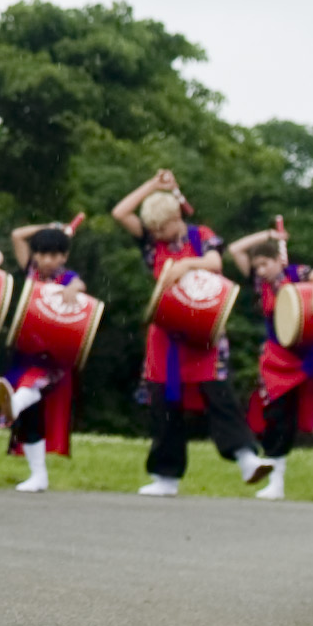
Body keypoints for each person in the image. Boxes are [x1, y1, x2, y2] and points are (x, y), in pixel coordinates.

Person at [113, 172, 266, 497]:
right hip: (166, 335)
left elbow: (214, 261)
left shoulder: (200, 236)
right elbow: (120, 212)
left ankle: (246, 458)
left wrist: (185, 266)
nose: (158, 234)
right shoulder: (152, 244)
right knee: (165, 402)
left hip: (204, 330)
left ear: (177, 218)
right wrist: (153, 186)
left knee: (219, 394)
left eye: (163, 228)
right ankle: (165, 476)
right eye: (154, 230)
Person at [234, 221, 313, 502]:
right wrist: (269, 234)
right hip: (277, 356)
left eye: (265, 264)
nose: (260, 270)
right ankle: (275, 482)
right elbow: (236, 249)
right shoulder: (260, 284)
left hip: (306, 349)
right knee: (279, 417)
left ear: (279, 260)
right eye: (257, 266)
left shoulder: (295, 273)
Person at [0, 220, 85, 493]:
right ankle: (38, 475)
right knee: (30, 419)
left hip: (52, 358)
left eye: (54, 255)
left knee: (32, 386)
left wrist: (72, 290)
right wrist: (50, 226)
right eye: (42, 254)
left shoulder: (68, 278)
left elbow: (79, 285)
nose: (47, 260)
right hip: (25, 352)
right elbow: (16, 234)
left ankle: (12, 406)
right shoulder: (30, 271)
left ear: (64, 256)